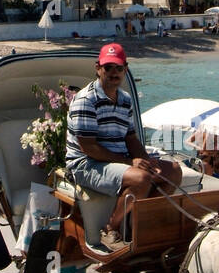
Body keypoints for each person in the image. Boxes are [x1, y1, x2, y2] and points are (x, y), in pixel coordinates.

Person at [65, 43, 182, 251]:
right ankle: (110, 228)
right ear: (98, 68)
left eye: (118, 68)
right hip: (86, 164)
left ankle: (142, 223)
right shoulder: (86, 100)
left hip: (116, 159)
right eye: (108, 67)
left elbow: (130, 137)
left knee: (172, 171)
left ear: (125, 69)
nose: (113, 73)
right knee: (141, 178)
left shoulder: (124, 100)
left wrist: (145, 159)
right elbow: (88, 148)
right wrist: (131, 162)